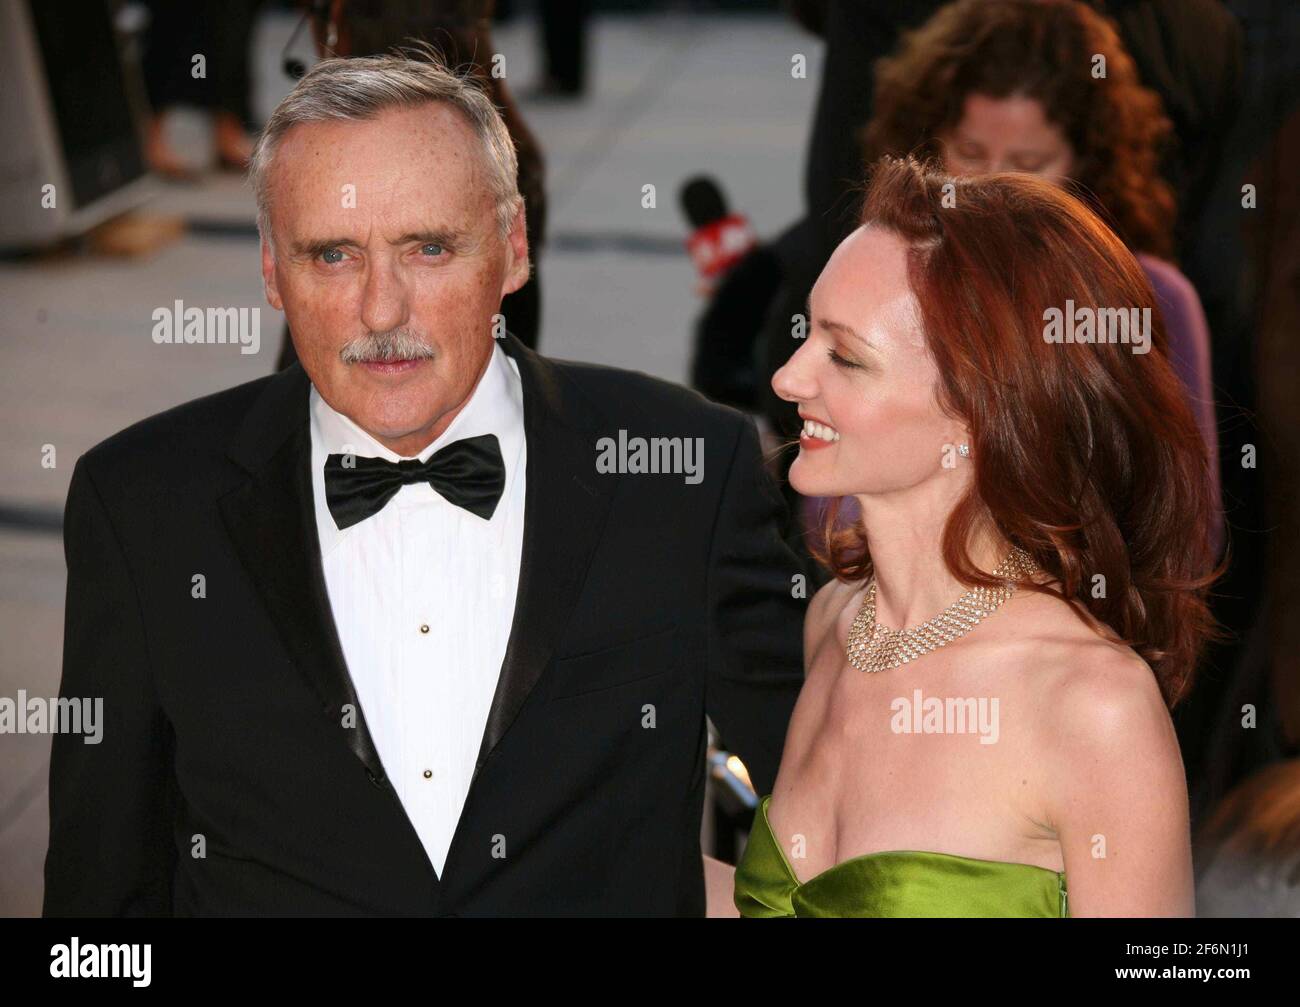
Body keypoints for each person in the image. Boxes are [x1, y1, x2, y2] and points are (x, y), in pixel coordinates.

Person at [43, 54, 805, 916]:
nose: (382, 309)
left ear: (514, 250)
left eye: (429, 248)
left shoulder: (680, 470)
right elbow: (98, 899)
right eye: (332, 255)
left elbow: (838, 798)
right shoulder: (144, 504)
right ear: (269, 273)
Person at [724, 157, 1219, 917]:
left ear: (980, 411)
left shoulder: (1092, 705)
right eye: (806, 334)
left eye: (844, 355)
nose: (788, 378)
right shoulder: (836, 623)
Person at [860, 0, 1222, 554]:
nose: (995, 185)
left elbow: (1192, 531)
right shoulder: (880, 276)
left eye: (1029, 163)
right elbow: (832, 510)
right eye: (971, 152)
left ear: (1088, 163)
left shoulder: (1152, 297)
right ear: (925, 145)